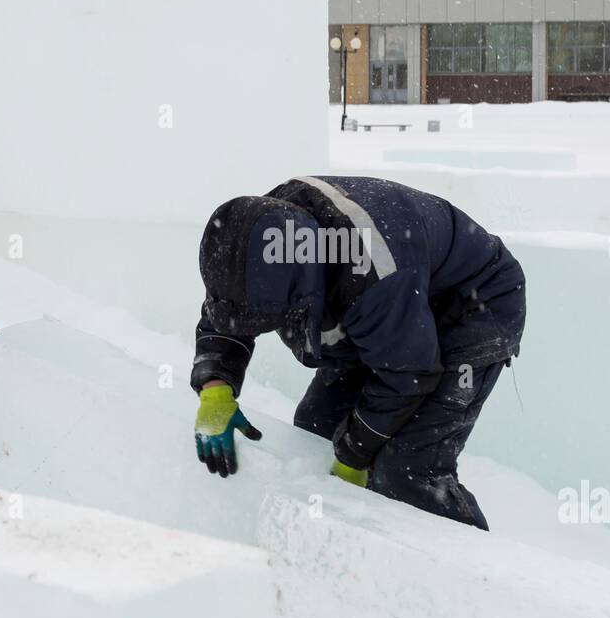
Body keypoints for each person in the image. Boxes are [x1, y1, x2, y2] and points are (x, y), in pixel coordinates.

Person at [190, 176, 525, 530]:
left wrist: (354, 457)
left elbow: (408, 374)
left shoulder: (368, 265)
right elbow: (226, 311)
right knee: (317, 429)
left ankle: (474, 574)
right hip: (392, 309)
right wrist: (216, 387)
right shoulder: (255, 233)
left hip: (472, 305)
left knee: (406, 473)